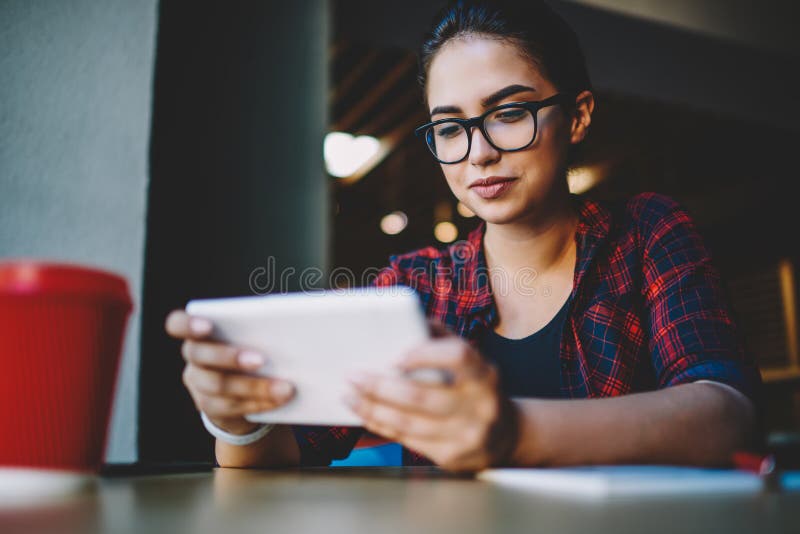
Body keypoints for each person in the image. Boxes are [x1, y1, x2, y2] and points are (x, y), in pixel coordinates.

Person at [165, 0, 762, 472]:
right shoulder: (413, 286)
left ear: (577, 116)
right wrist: (236, 418)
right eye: (450, 127)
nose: (477, 153)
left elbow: (726, 412)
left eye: (508, 113)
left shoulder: (647, 233)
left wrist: (510, 432)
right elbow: (283, 452)